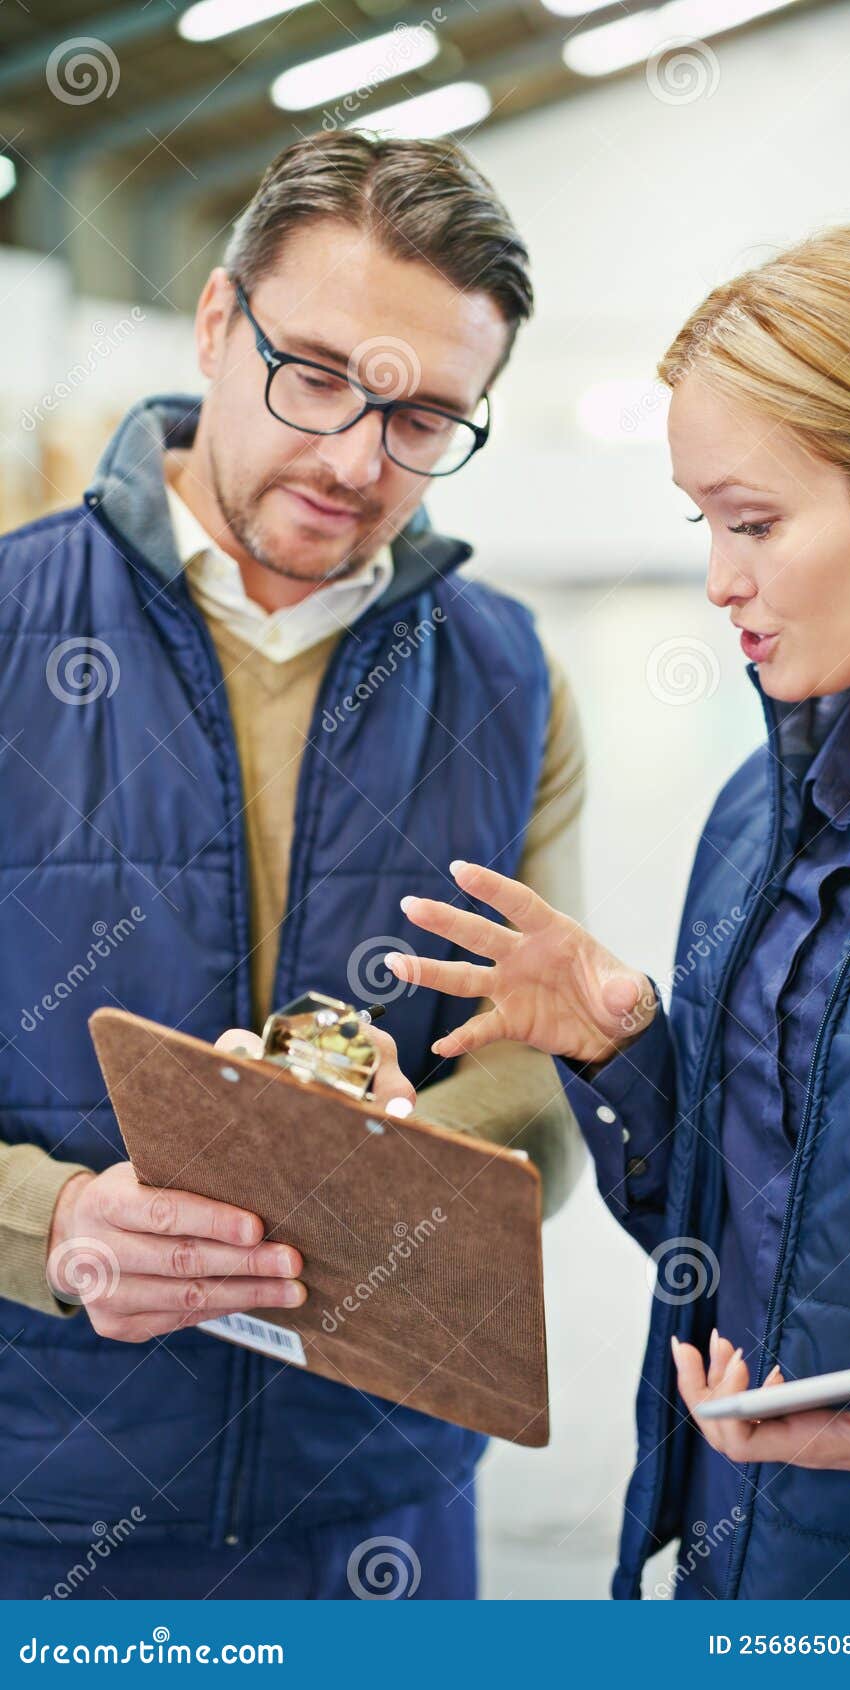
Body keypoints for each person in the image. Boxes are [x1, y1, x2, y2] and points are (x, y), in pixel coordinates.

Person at [386, 223, 850, 1599]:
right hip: (736, 1576)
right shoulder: (768, 819)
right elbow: (745, 1238)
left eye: (752, 521)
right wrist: (626, 1048)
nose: (717, 576)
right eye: (703, 519)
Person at [0, 130, 586, 1599]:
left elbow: (540, 1068)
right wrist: (52, 1224)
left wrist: (428, 1150)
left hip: (378, 1515)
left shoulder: (511, 681)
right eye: (313, 372)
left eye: (425, 415)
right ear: (216, 321)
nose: (351, 459)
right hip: (42, 1511)